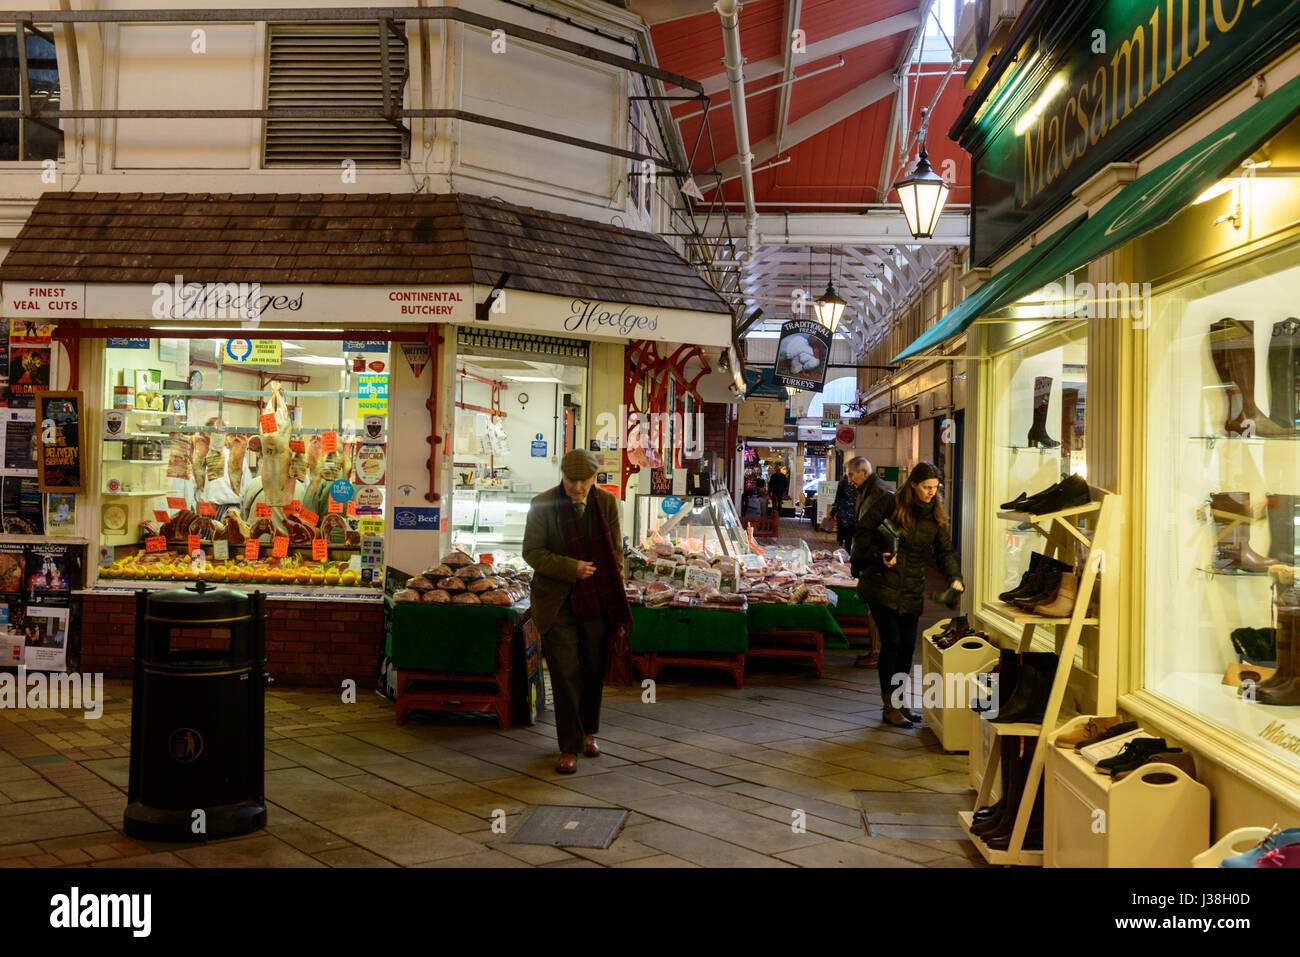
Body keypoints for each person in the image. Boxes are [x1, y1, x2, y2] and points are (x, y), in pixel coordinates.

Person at [522, 449, 632, 774]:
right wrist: (572, 568)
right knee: (565, 671)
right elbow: (532, 551)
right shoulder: (543, 504)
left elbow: (615, 551)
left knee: (593, 670)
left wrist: (615, 583)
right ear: (563, 476)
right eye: (572, 480)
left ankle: (588, 733)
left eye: (585, 481)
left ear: (594, 478)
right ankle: (568, 746)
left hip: (597, 599)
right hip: (556, 602)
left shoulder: (607, 503)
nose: (579, 488)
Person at [852, 461, 963, 728]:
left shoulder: (934, 515)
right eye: (926, 487)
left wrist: (954, 577)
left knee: (906, 648)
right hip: (881, 584)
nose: (931, 493)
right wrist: (878, 557)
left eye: (935, 488)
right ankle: (889, 706)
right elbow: (862, 531)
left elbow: (945, 550)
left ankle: (900, 702)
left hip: (911, 588)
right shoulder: (889, 503)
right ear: (913, 484)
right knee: (892, 643)